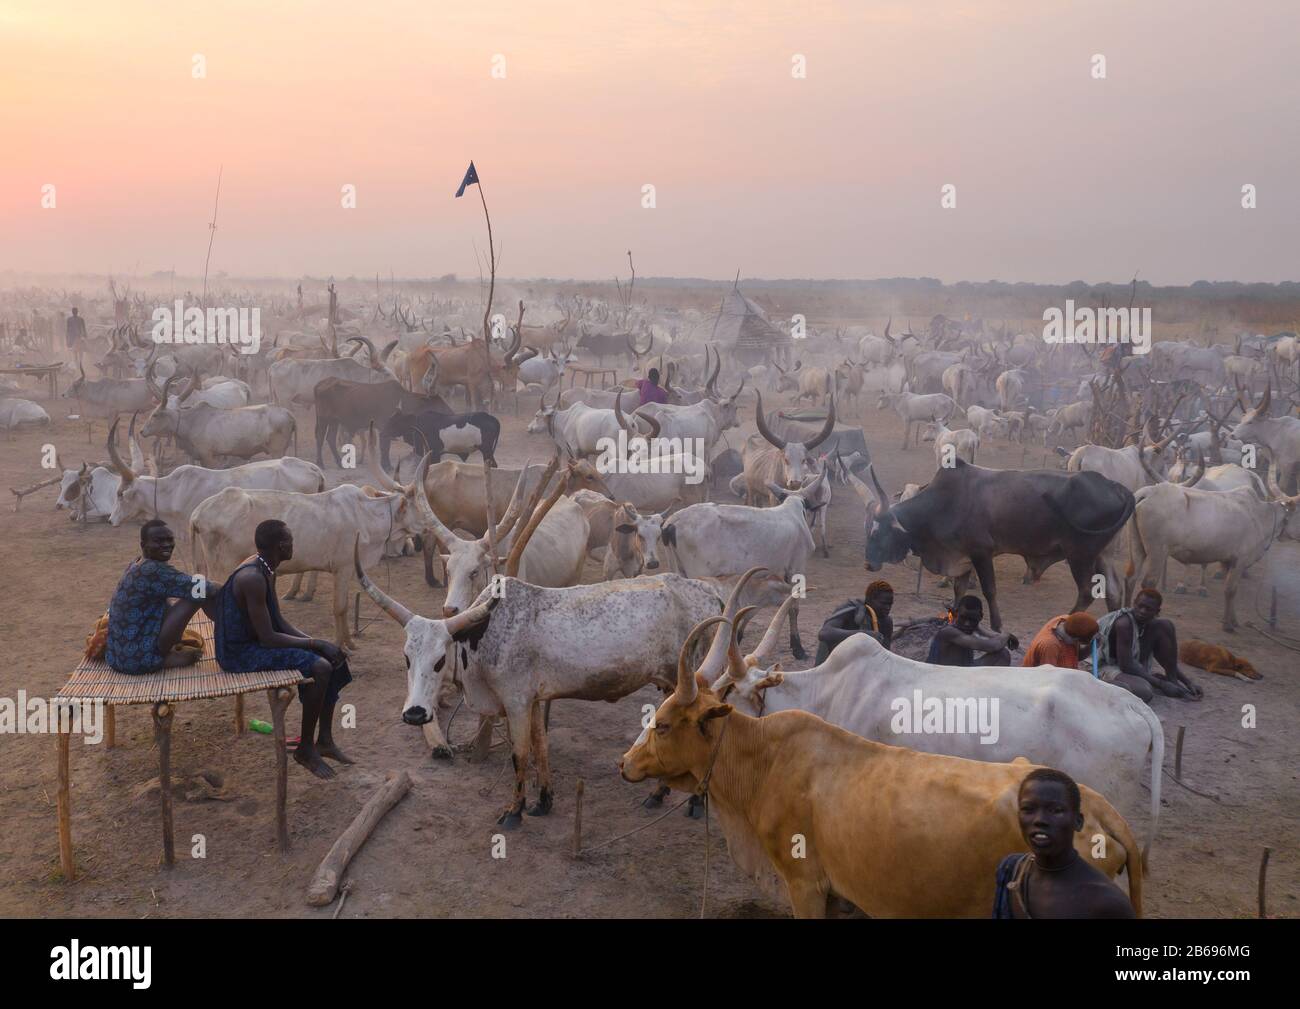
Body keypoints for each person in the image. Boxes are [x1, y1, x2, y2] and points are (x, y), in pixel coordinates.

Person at [213, 520, 352, 779]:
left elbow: (277, 621)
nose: (293, 545)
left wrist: (318, 643)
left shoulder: (266, 568)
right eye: (290, 541)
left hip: (255, 641)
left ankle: (324, 740)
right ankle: (305, 749)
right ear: (280, 545)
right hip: (238, 653)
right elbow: (268, 637)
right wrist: (314, 645)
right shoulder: (253, 577)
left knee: (334, 659)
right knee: (320, 667)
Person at [993, 767, 1136, 919]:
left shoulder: (1109, 903)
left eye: (1056, 810)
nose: (1039, 819)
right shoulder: (1011, 870)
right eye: (1028, 809)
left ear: (1078, 822)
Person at [105, 520, 223, 674]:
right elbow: (206, 587)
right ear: (143, 545)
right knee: (199, 592)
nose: (166, 545)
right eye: (158, 541)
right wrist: (230, 590)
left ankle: (228, 628)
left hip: (117, 656)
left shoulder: (137, 563)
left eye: (169, 540)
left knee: (196, 587)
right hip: (136, 659)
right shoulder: (152, 570)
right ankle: (231, 630)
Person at [1095, 588, 1201, 702]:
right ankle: (1104, 684)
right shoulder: (1123, 623)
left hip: (1129, 664)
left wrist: (1187, 682)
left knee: (1166, 625)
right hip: (1105, 666)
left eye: (1148, 609)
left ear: (1157, 612)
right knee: (1144, 691)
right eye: (1140, 606)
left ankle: (1172, 680)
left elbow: (1167, 659)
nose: (1142, 611)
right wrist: (1161, 684)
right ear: (1134, 603)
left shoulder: (1149, 624)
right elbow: (1126, 665)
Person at [814, 580, 895, 663]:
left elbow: (885, 655)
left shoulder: (886, 622)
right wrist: (864, 635)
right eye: (884, 603)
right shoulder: (851, 610)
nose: (888, 608)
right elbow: (824, 633)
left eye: (890, 604)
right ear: (870, 599)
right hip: (836, 663)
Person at [928, 595, 1016, 666]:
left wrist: (1005, 636)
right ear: (956, 613)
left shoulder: (971, 626)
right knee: (1003, 654)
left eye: (972, 620)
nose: (967, 624)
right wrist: (1007, 635)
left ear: (980, 617)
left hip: (960, 672)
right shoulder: (949, 632)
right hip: (943, 677)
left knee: (1002, 655)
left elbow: (992, 636)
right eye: (963, 618)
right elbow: (992, 646)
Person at [1021, 611, 1099, 669]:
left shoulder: (1067, 621)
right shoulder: (1050, 645)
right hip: (1039, 682)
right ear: (1075, 639)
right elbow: (1048, 679)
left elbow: (1077, 656)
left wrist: (1092, 645)